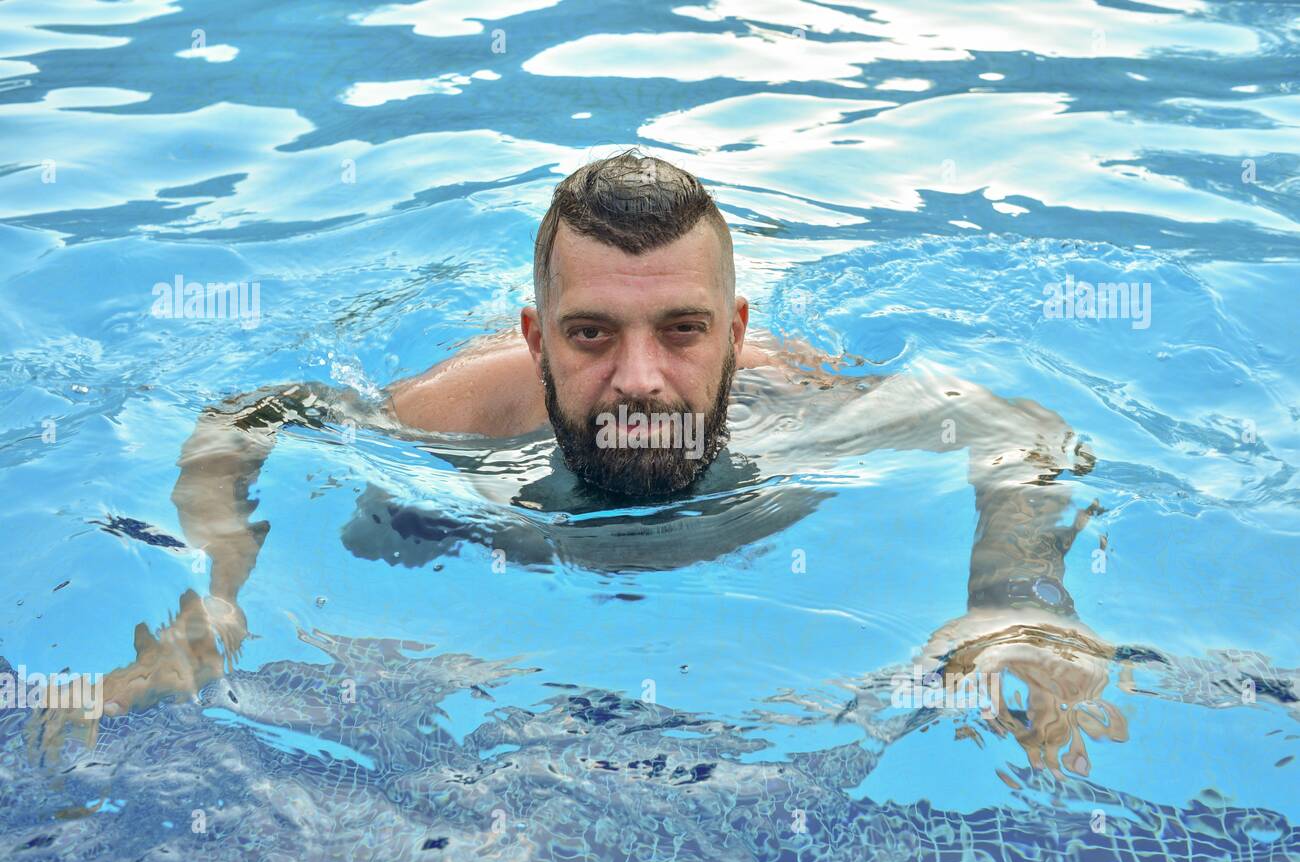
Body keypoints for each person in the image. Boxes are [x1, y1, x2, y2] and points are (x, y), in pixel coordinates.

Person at [33, 150, 1122, 779]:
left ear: (737, 333)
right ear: (536, 336)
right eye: (592, 334)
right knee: (393, 531)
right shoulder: (447, 418)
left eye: (684, 332)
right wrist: (213, 593)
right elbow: (246, 416)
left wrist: (1018, 603)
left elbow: (1024, 434)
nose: (642, 379)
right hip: (479, 494)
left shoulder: (804, 412)